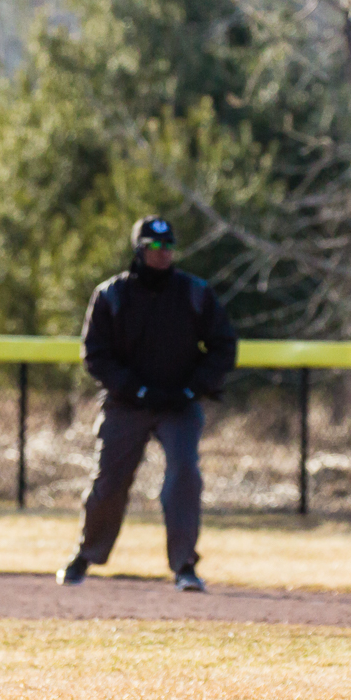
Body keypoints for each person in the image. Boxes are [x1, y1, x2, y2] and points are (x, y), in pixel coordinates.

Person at [57, 217, 237, 591]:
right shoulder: (112, 295)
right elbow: (95, 354)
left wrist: (193, 389)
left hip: (179, 403)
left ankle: (184, 565)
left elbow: (223, 346)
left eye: (169, 246)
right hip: (127, 403)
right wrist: (136, 390)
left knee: (184, 474)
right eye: (155, 247)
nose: (163, 253)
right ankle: (86, 554)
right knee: (110, 481)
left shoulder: (194, 293)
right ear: (139, 249)